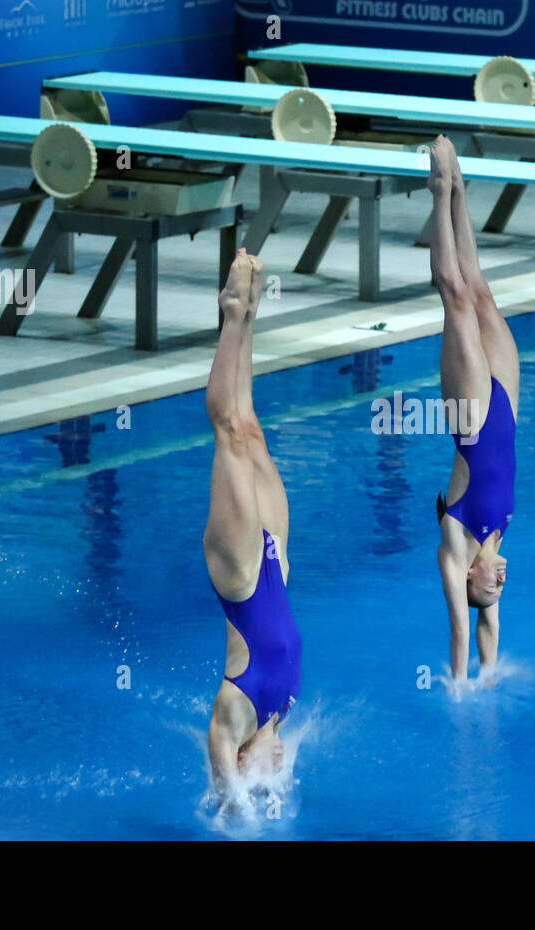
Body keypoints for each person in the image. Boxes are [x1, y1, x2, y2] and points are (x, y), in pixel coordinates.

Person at [204, 248, 302, 799]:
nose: (280, 765)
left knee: (227, 432)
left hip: (239, 577)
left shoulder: (233, 717)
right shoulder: (283, 711)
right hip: (274, 566)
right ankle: (248, 316)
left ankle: (231, 311)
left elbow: (224, 800)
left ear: (243, 763)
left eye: (262, 772)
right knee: (252, 431)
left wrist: (235, 802)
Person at [428, 135, 519, 684]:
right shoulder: (496, 544)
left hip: (470, 421)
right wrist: (491, 676)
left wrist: (461, 691)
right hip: (507, 409)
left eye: (494, 585)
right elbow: (489, 630)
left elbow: (463, 629)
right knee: (481, 292)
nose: (504, 578)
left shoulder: (456, 544)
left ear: (468, 578)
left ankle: (438, 190)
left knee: (455, 296)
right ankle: (460, 189)